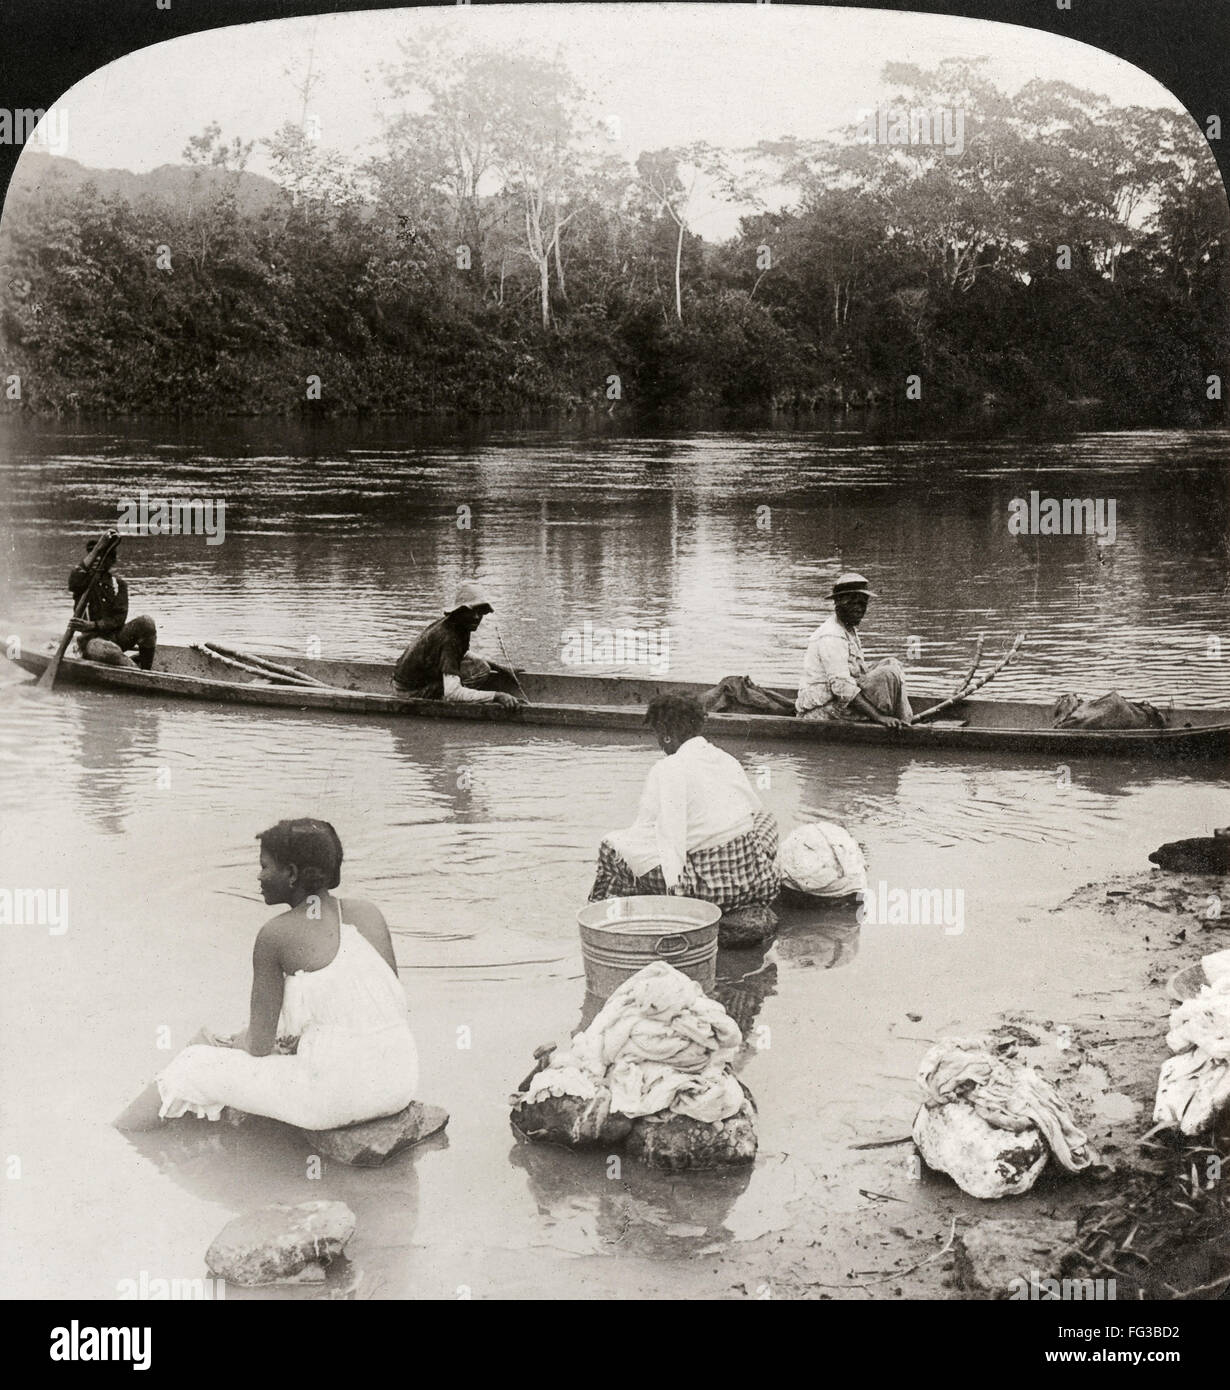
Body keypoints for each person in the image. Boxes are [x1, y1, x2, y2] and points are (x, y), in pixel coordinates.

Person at [151, 819, 419, 1131]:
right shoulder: (369, 913)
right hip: (400, 1081)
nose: (259, 876)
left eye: (265, 866)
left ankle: (129, 1146)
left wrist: (236, 1042)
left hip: (337, 1098)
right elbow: (383, 1003)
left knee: (189, 1064)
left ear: (291, 873)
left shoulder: (274, 934)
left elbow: (259, 1047)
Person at [589, 693, 781, 909]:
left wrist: (675, 887)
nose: (659, 742)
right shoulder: (726, 758)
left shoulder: (667, 768)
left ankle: (602, 907)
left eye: (657, 734)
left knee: (612, 846)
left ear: (666, 734)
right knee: (765, 817)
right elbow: (752, 812)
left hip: (706, 893)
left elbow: (655, 833)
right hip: (757, 883)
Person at [795, 572, 912, 728]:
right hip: (822, 711)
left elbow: (858, 672)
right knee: (888, 674)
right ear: (839, 604)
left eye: (862, 604)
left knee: (892, 663)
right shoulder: (832, 635)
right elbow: (841, 687)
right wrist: (879, 717)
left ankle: (906, 719)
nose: (859, 609)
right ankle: (898, 720)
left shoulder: (848, 628)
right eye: (853, 604)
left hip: (839, 700)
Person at [392, 581, 522, 707]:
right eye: (471, 611)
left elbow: (462, 652)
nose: (476, 617)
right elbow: (452, 693)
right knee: (465, 683)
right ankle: (454, 704)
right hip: (408, 692)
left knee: (482, 667)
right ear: (460, 611)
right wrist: (497, 696)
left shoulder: (458, 624)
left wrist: (499, 668)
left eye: (480, 611)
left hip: (411, 680)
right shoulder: (449, 637)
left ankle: (464, 694)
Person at [67, 533, 158, 670]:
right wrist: (98, 547)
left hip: (115, 637)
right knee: (108, 649)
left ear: (112, 561)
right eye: (95, 556)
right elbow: (74, 579)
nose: (98, 560)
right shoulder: (82, 581)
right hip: (91, 641)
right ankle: (134, 670)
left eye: (104, 557)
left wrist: (93, 625)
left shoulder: (118, 584)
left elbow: (118, 619)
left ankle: (146, 670)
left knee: (147, 622)